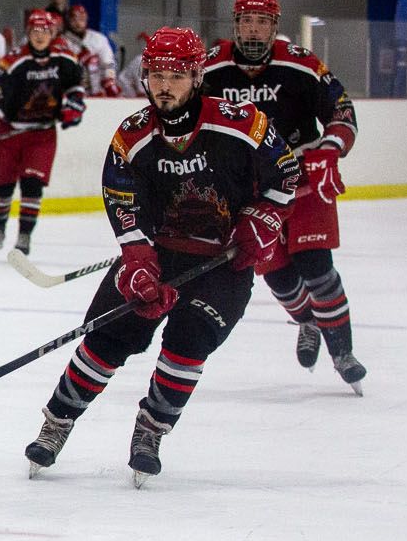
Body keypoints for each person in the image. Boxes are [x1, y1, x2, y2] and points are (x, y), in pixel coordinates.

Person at [22, 27, 302, 485]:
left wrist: (264, 217)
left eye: (175, 75)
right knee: (106, 340)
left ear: (196, 75)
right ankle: (56, 423)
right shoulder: (132, 135)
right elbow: (120, 199)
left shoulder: (242, 122)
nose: (164, 85)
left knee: (188, 344)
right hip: (156, 254)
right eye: (156, 74)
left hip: (223, 263)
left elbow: (286, 173)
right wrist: (136, 258)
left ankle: (150, 430)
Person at [203, 0, 365, 390]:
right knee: (276, 274)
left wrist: (330, 148)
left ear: (275, 26)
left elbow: (342, 110)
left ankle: (343, 352)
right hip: (252, 193)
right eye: (246, 21)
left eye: (262, 21)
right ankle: (307, 320)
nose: (253, 30)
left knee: (315, 266)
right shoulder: (210, 69)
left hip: (303, 181)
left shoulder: (301, 64)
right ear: (235, 24)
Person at [0, 9, 87, 258]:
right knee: (2, 186)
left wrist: (74, 106)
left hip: (42, 135)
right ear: (28, 33)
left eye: (44, 31)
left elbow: (76, 85)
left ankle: (24, 235)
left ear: (52, 32)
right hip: (10, 132)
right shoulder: (14, 60)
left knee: (32, 184)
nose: (39, 36)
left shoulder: (64, 58)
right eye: (35, 31)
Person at [63, 4, 120, 96]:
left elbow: (108, 62)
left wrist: (109, 80)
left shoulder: (98, 38)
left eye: (81, 19)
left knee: (93, 61)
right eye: (74, 20)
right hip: (73, 91)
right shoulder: (63, 41)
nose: (78, 23)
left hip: (98, 91)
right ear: (68, 21)